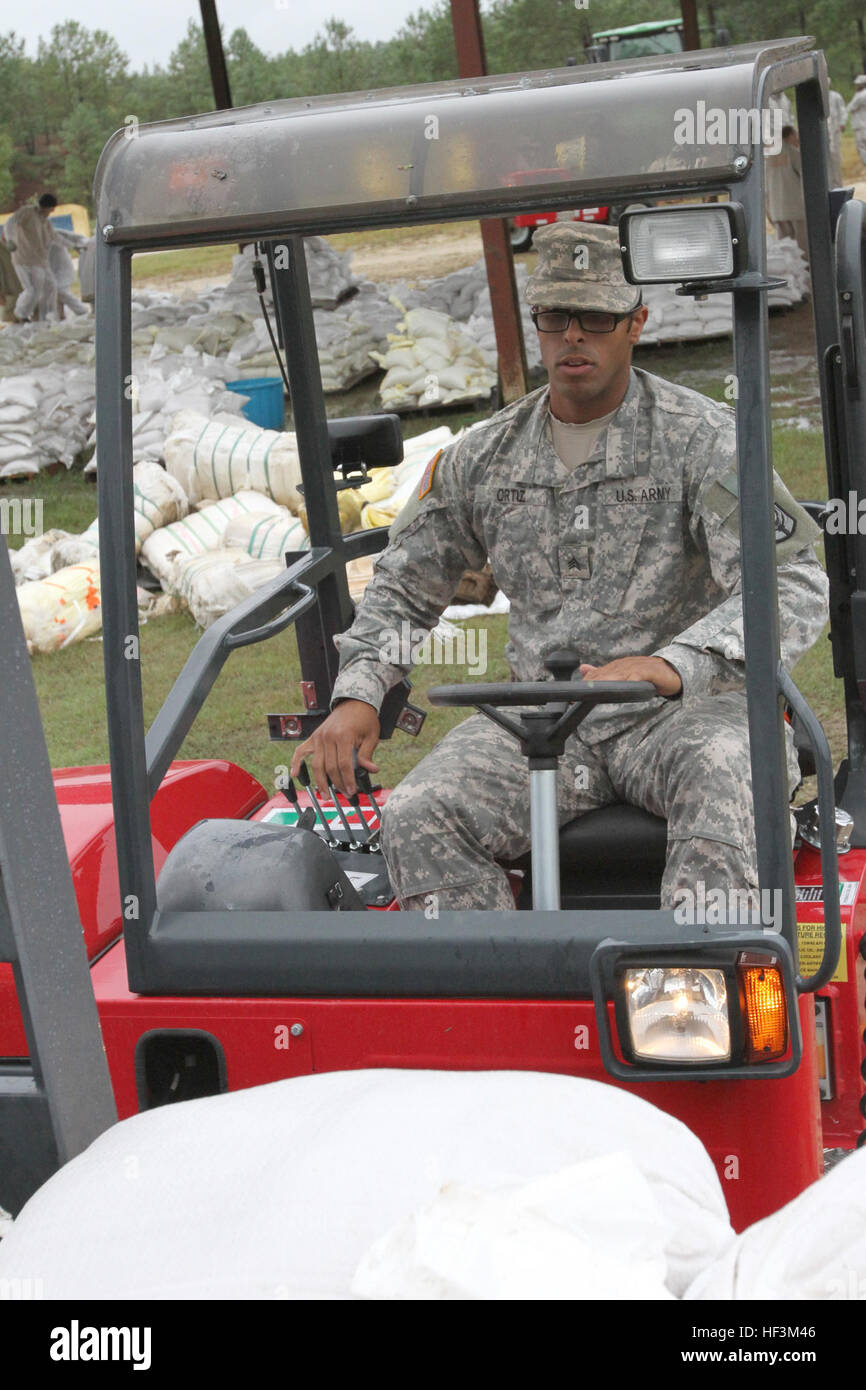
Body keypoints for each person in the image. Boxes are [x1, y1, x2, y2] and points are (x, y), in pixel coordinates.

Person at [291, 223, 828, 914]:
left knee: (730, 777)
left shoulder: (703, 441)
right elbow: (403, 590)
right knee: (420, 810)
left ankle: (696, 1000)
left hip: (685, 717)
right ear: (536, 321)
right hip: (541, 724)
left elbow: (793, 581)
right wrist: (361, 692)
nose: (574, 336)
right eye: (555, 317)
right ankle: (495, 1010)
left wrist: (675, 663)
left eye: (597, 317)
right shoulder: (481, 458)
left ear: (635, 322)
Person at [3, 192, 61, 322]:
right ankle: (20, 314)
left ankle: (44, 314)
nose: (52, 211)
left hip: (40, 261)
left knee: (50, 285)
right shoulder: (27, 212)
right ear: (47, 207)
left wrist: (75, 244)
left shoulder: (45, 221)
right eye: (51, 208)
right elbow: (10, 224)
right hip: (23, 259)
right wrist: (10, 240)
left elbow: (55, 237)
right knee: (31, 290)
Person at [765, 126, 808, 259]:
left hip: (777, 210)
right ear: (788, 136)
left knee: (785, 248)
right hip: (796, 208)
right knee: (802, 248)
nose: (797, 139)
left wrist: (769, 213)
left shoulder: (767, 156)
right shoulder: (791, 152)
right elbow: (806, 175)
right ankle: (806, 276)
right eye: (795, 135)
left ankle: (793, 276)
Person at [828, 88, 849, 188]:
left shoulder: (835, 96)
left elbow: (842, 110)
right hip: (824, 132)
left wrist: (842, 123)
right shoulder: (814, 96)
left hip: (835, 131)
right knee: (825, 159)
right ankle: (829, 184)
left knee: (835, 157)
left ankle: (838, 184)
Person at [849, 75, 866, 170]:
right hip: (862, 122)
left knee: (861, 145)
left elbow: (851, 107)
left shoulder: (861, 95)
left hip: (861, 123)